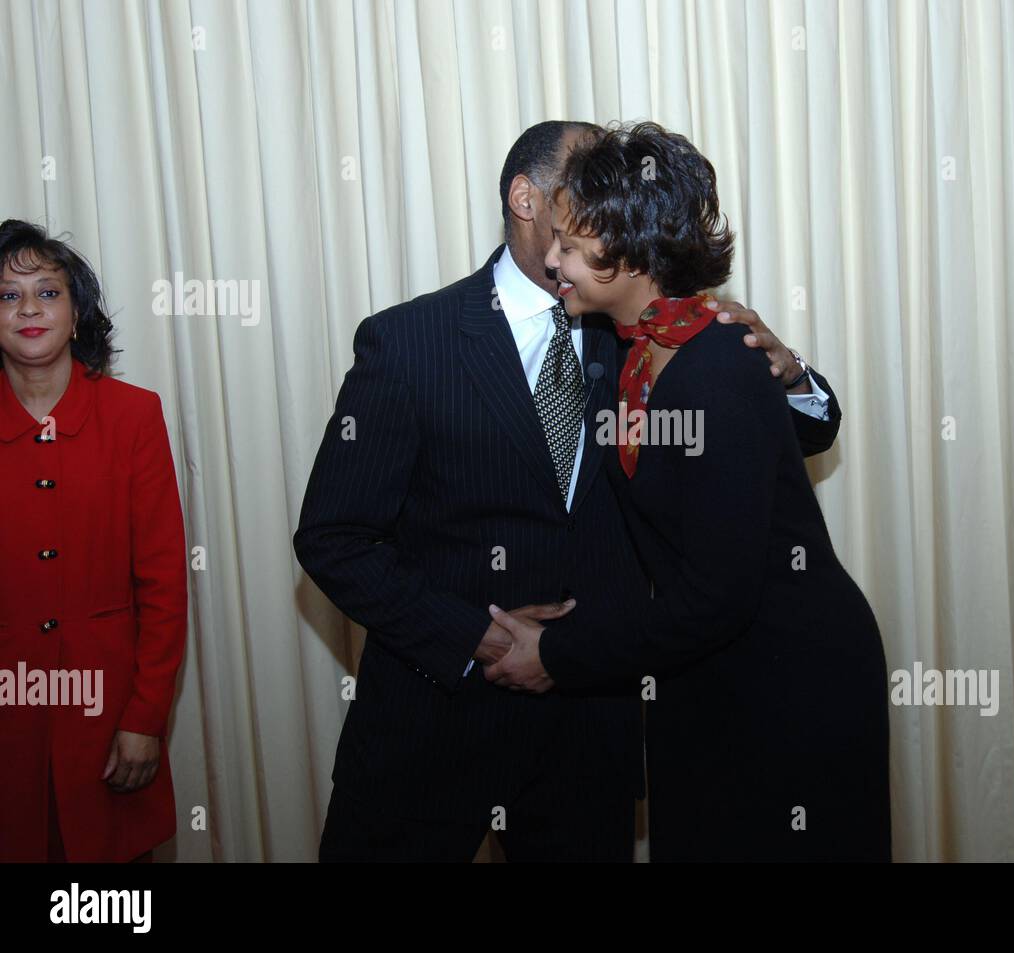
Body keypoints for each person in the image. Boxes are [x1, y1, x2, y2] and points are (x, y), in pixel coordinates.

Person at [294, 120, 844, 861]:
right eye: (584, 189)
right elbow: (333, 536)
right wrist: (473, 636)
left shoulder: (641, 324)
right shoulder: (408, 343)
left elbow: (775, 445)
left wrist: (786, 371)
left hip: (590, 727)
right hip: (434, 724)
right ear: (527, 198)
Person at [485, 122, 891, 862]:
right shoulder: (629, 347)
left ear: (628, 252)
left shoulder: (717, 364)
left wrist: (560, 652)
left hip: (789, 685)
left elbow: (716, 595)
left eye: (570, 247)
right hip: (702, 676)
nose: (550, 258)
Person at [0, 219, 187, 863]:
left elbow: (164, 585)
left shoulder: (133, 416)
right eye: (6, 295)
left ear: (76, 313)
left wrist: (144, 720)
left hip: (110, 724)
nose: (27, 308)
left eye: (47, 292)